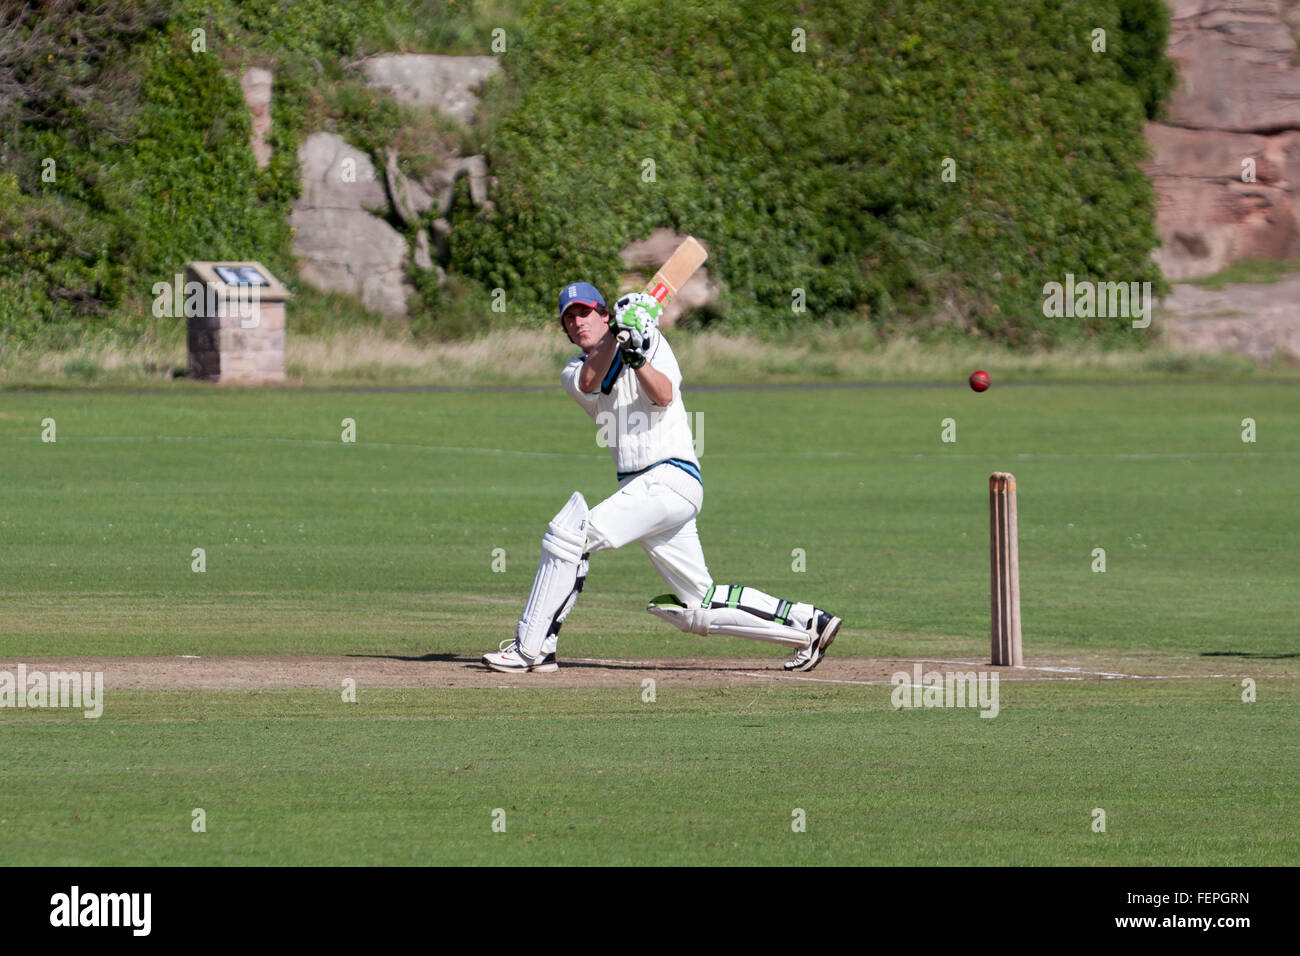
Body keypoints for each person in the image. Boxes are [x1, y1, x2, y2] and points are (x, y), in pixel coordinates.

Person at [482, 280, 842, 674]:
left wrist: (637, 354)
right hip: (644, 490)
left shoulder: (651, 341)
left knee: (568, 535)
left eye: (585, 312)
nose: (578, 322)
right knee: (698, 605)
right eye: (570, 318)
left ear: (603, 314)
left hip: (670, 477)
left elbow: (663, 394)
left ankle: (531, 649)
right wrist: (621, 336)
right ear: (565, 330)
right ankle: (808, 624)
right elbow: (592, 381)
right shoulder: (573, 372)